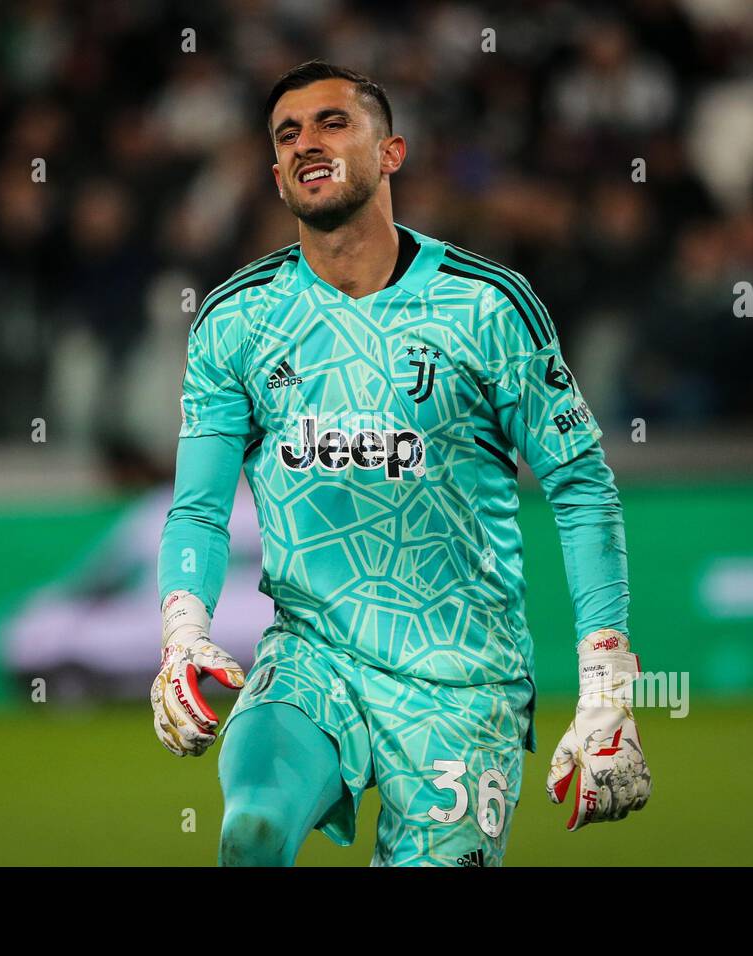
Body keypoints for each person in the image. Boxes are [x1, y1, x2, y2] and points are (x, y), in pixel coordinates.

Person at [152, 60, 650, 866]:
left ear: (392, 154)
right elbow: (200, 508)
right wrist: (182, 632)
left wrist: (608, 686)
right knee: (251, 833)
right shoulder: (235, 322)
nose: (307, 143)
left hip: (462, 680)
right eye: (287, 135)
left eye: (332, 123)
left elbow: (581, 486)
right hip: (314, 657)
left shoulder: (487, 306)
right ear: (276, 176)